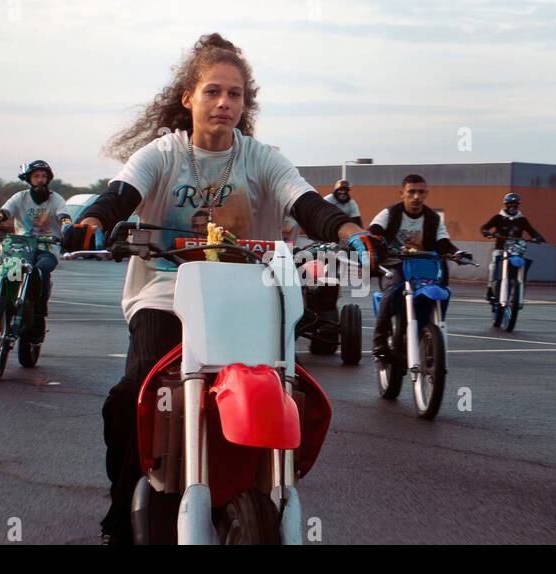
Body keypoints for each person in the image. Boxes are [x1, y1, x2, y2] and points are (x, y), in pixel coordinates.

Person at [65, 33, 373, 544]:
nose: (224, 102)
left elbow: (304, 203)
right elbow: (122, 194)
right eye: (212, 91)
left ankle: (260, 485)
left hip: (248, 297)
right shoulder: (162, 154)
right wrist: (95, 217)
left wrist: (347, 231)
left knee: (286, 391)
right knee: (130, 395)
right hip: (166, 292)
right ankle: (121, 513)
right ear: (189, 97)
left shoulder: (262, 158)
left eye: (235, 93)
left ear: (245, 104)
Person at [368, 174, 469, 358]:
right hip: (395, 263)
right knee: (391, 293)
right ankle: (379, 341)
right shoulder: (390, 213)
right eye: (412, 192)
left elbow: (443, 241)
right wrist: (377, 245)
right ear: (402, 193)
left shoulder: (433, 218)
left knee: (439, 291)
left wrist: (457, 253)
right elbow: (374, 231)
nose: (416, 196)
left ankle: (428, 332)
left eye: (421, 192)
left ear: (426, 194)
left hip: (423, 266)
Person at [0, 160, 70, 315]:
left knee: (42, 269)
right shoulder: (20, 197)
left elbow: (64, 217)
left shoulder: (56, 199)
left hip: (47, 246)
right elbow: (2, 213)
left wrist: (67, 228)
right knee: (6, 270)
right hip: (21, 247)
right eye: (36, 176)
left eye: (43, 176)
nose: (40, 179)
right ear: (29, 179)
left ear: (48, 179)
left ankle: (40, 311)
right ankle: (2, 302)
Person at [480, 192, 545, 300]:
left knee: (523, 262)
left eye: (515, 204)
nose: (512, 206)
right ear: (506, 205)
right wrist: (487, 232)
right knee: (493, 266)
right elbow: (485, 227)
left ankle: (519, 287)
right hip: (500, 248)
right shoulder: (498, 217)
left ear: (518, 205)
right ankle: (490, 289)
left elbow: (532, 231)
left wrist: (538, 237)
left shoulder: (522, 219)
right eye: (510, 204)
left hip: (516, 250)